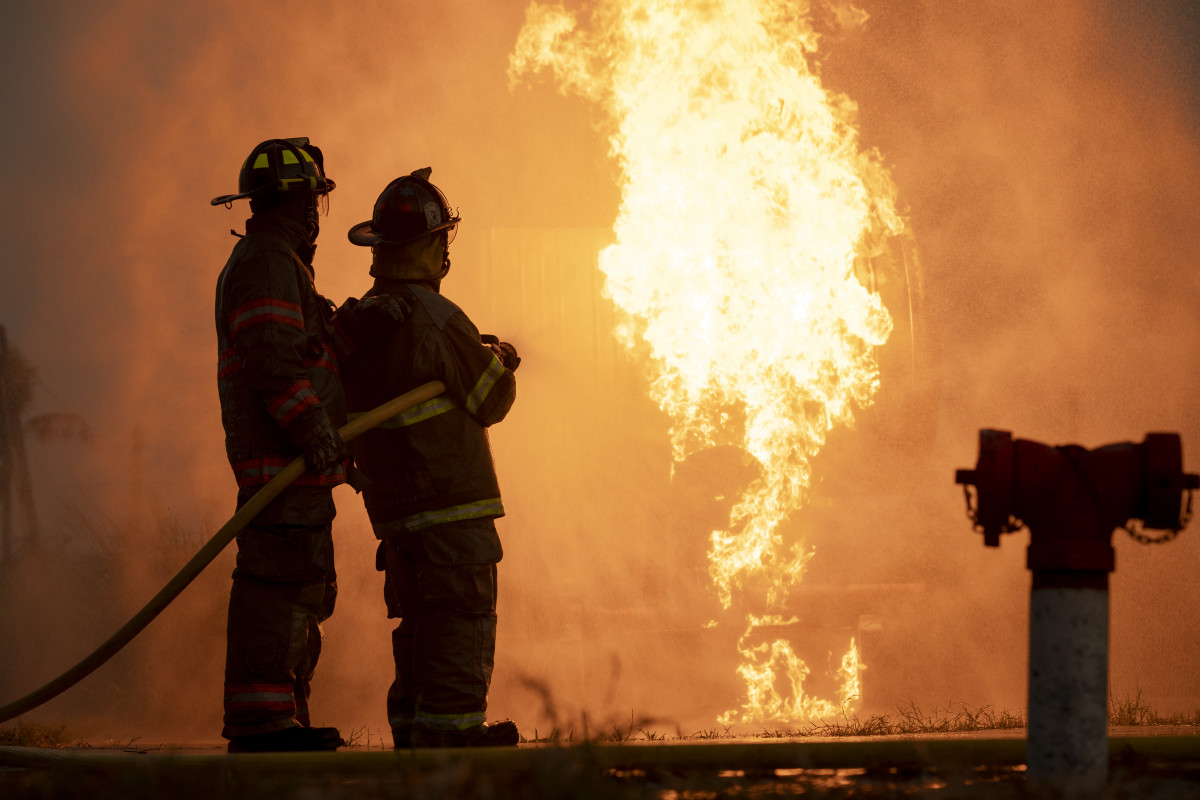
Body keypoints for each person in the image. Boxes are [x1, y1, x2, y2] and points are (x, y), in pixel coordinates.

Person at [210, 137, 385, 753]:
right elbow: (276, 365)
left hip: (294, 468)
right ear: (294, 203)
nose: (317, 212)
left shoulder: (280, 263)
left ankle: (284, 719)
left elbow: (308, 351)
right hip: (280, 465)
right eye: (313, 198)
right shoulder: (267, 262)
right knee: (280, 589)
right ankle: (263, 727)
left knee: (302, 591)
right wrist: (320, 438)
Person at [341, 168, 521, 748]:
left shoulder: (363, 320)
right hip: (451, 505)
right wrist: (491, 358)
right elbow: (491, 399)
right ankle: (455, 740)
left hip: (396, 512)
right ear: (433, 245)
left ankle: (417, 738)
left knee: (419, 623)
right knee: (460, 617)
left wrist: (476, 350)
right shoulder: (438, 318)